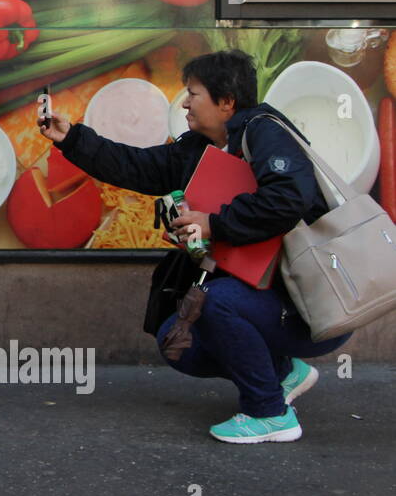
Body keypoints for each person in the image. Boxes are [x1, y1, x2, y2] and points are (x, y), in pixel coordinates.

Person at [37, 49, 351, 443]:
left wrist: (213, 223)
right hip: (261, 293)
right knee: (178, 338)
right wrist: (72, 139)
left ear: (226, 102)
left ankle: (269, 412)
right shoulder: (198, 147)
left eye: (193, 93)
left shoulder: (265, 132)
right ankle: (283, 371)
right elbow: (137, 166)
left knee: (215, 302)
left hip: (309, 303)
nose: (184, 101)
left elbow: (288, 199)